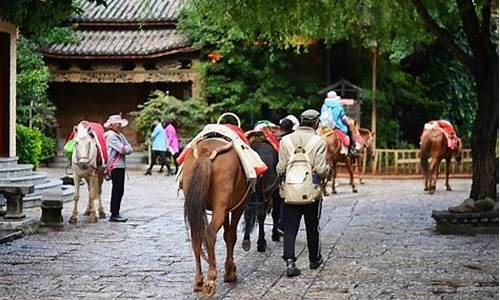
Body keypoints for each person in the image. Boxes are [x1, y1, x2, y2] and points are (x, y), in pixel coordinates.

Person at [276, 109, 330, 277]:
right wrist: (328, 171)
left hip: (290, 191)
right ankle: (314, 259)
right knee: (312, 226)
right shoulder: (319, 141)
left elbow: (280, 168)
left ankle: (290, 261)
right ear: (316, 123)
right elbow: (321, 169)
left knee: (290, 227)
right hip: (311, 191)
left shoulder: (285, 140)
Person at [104, 114, 133, 222]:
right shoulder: (111, 136)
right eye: (117, 124)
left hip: (120, 165)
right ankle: (114, 213)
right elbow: (123, 149)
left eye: (119, 124)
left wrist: (126, 148)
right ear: (112, 125)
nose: (119, 125)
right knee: (117, 190)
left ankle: (116, 211)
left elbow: (130, 148)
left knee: (120, 190)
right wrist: (126, 148)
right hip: (115, 166)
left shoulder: (120, 135)